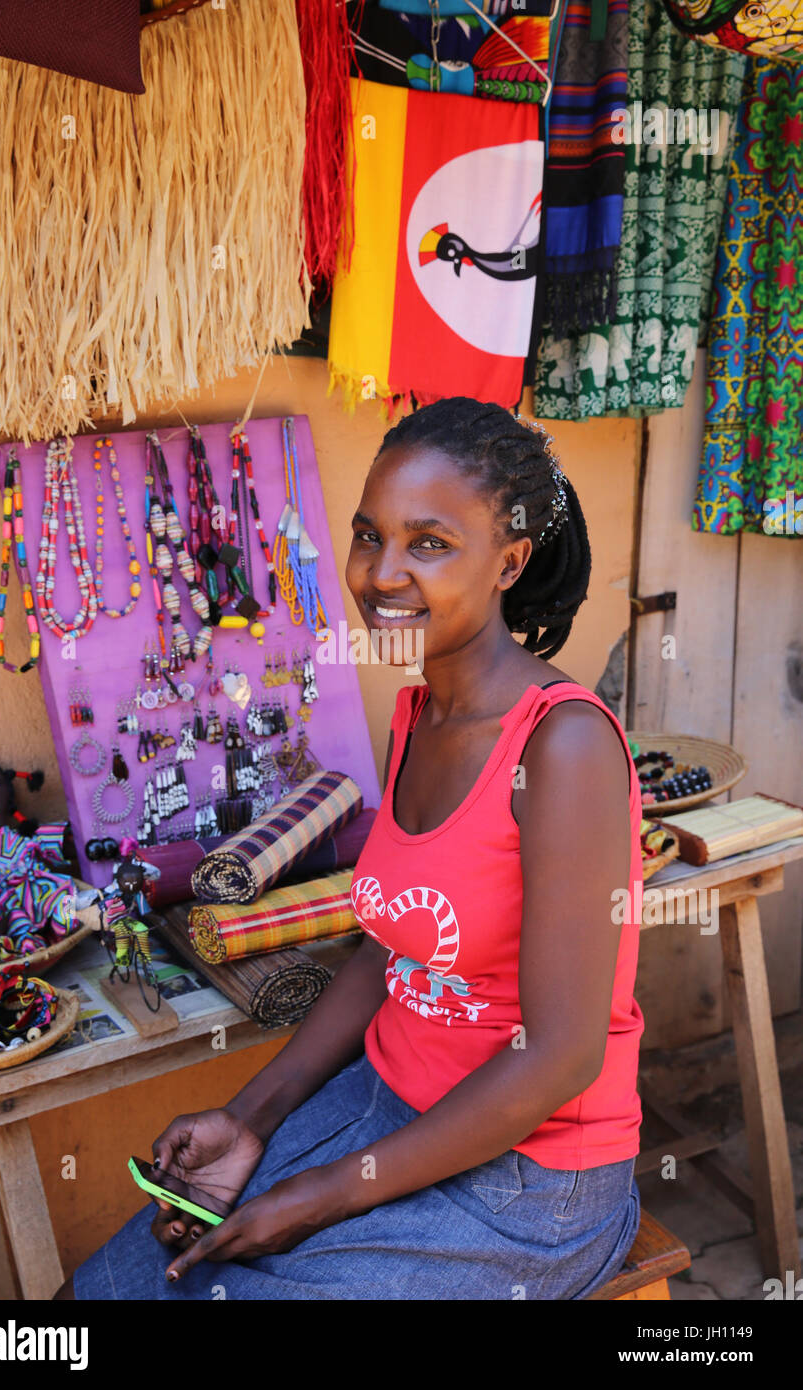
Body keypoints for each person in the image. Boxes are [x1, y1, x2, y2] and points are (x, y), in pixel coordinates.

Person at [59, 397, 643, 1301]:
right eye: (370, 536)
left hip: (530, 1185)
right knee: (102, 1296)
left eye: (431, 544)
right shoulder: (418, 713)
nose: (382, 574)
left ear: (510, 561)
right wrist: (248, 1117)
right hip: (386, 1104)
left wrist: (324, 1195)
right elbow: (392, 947)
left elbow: (560, 1057)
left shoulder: (561, 748)